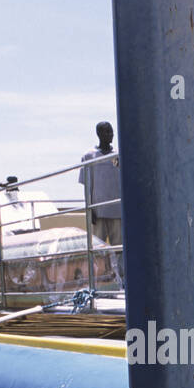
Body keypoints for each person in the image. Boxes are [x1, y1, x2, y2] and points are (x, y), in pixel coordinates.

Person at [79, 121, 124, 286]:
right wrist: (89, 209)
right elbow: (87, 185)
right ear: (99, 134)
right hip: (98, 211)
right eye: (106, 132)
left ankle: (122, 282)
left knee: (119, 249)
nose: (110, 135)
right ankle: (98, 282)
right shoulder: (89, 156)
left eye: (111, 132)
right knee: (97, 250)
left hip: (117, 211)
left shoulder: (120, 154)